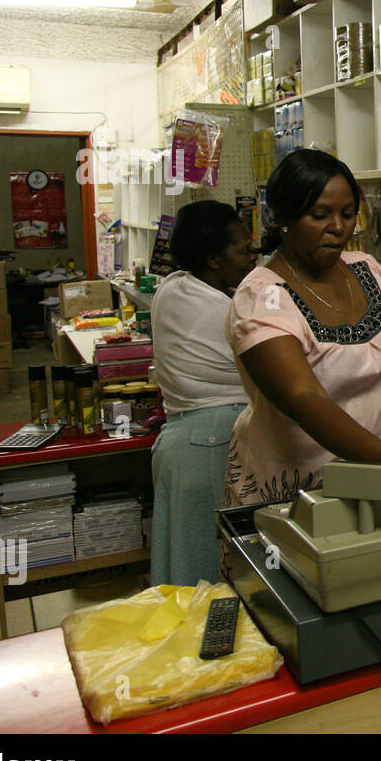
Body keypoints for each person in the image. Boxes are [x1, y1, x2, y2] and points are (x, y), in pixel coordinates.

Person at [223, 149, 381, 509]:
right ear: (282, 218)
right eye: (319, 215)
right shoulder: (261, 297)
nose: (338, 227)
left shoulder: (369, 270)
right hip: (291, 493)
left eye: (348, 214)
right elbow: (303, 399)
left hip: (374, 479)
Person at [150, 200, 258, 585]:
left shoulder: (173, 289)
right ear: (214, 258)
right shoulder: (226, 312)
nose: (251, 259)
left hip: (180, 446)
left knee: (186, 573)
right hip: (212, 446)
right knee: (213, 581)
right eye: (244, 250)